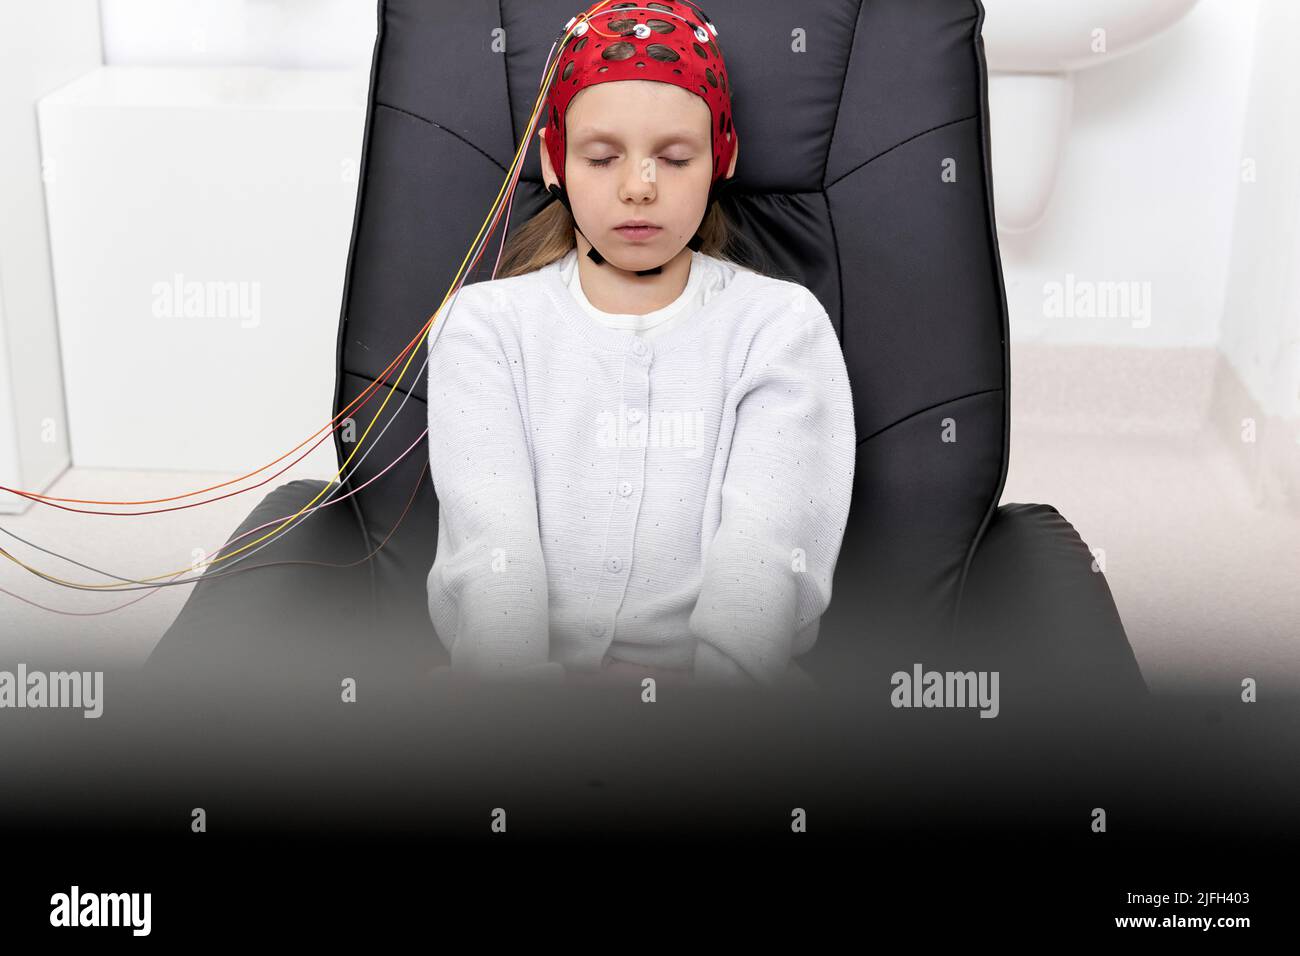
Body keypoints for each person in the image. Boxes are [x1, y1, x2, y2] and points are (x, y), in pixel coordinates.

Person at [426, 1, 855, 692]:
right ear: (554, 161)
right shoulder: (484, 328)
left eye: (675, 158)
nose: (637, 187)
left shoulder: (778, 326)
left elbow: (765, 554)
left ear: (722, 159)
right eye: (601, 157)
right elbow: (491, 544)